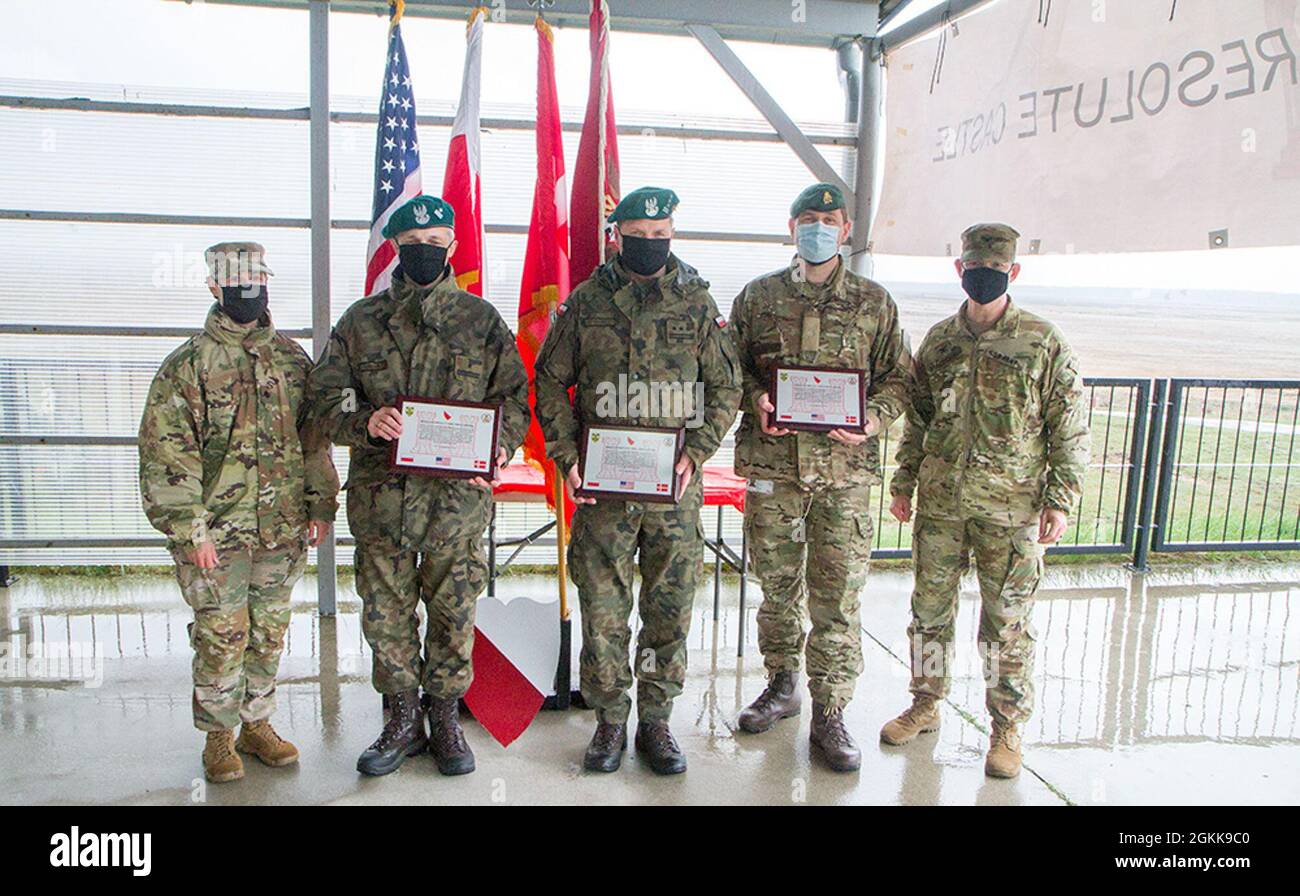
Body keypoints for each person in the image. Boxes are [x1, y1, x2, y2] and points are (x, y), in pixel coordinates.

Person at [306, 195, 529, 777]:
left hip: (457, 505)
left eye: (436, 245)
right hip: (382, 500)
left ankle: (447, 718)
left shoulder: (482, 322)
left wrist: (500, 446)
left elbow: (515, 399)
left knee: (454, 612)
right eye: (413, 246)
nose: (425, 255)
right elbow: (322, 399)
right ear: (396, 249)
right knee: (386, 613)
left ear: (452, 247)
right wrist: (364, 421)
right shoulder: (360, 321)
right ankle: (402, 719)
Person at [534, 186, 741, 775]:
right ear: (615, 234)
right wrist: (565, 452)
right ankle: (609, 720)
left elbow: (724, 387)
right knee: (602, 608)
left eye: (661, 233)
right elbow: (550, 381)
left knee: (668, 607)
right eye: (638, 233)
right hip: (601, 492)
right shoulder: (584, 304)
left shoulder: (698, 303)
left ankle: (655, 719)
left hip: (673, 492)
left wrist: (697, 451)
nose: (650, 243)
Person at [882, 222, 1090, 778]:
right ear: (960, 269)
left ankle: (1006, 729)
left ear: (1013, 272)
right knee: (928, 614)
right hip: (942, 505)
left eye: (996, 271)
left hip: (1012, 509)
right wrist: (903, 484)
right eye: (976, 268)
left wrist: (1060, 499)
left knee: (1007, 624)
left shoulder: (1042, 342)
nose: (984, 278)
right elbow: (917, 421)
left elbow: (1067, 428)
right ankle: (925, 704)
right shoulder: (940, 342)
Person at [139, 241, 339, 783]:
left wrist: (320, 503)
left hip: (281, 529)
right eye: (236, 277)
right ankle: (219, 736)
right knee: (222, 634)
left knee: (269, 630)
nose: (248, 286)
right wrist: (189, 530)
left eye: (256, 275)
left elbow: (313, 439)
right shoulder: (188, 366)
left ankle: (257, 725)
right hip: (216, 536)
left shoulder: (292, 360)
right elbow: (167, 456)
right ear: (212, 285)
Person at [728, 183, 911, 772]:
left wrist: (873, 420)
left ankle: (831, 711)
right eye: (808, 220)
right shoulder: (757, 298)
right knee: (776, 588)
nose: (818, 229)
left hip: (844, 474)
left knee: (837, 596)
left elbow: (898, 381)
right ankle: (783, 686)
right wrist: (757, 399)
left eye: (828, 220)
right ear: (791, 228)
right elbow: (729, 369)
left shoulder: (873, 302)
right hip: (774, 470)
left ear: (845, 230)